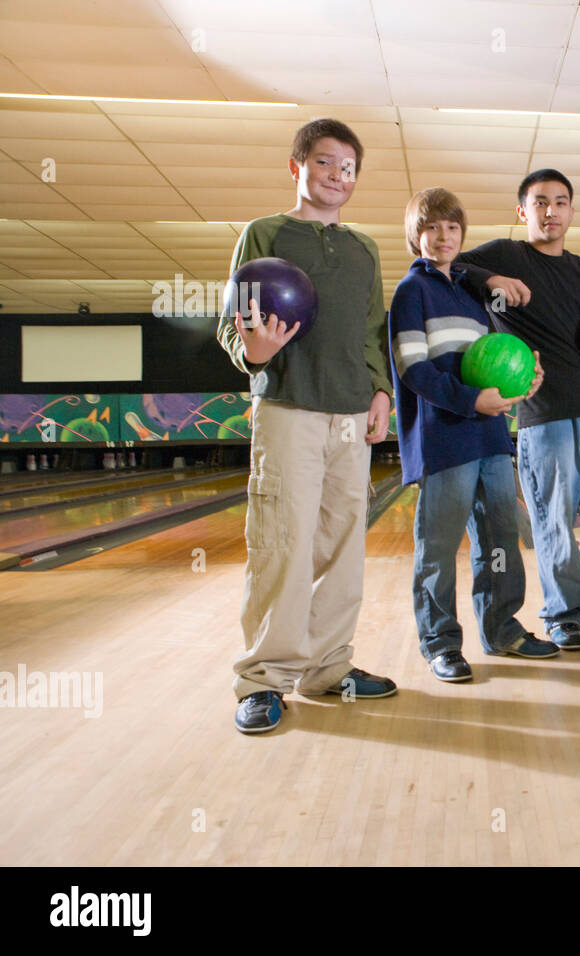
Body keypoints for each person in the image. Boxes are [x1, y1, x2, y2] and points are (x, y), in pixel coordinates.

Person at [218, 118, 396, 734]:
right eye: (325, 163)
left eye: (348, 168)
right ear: (296, 166)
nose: (337, 176)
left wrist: (380, 392)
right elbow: (231, 323)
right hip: (288, 406)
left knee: (344, 543)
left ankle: (327, 666)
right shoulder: (264, 232)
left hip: (350, 412)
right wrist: (255, 354)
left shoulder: (364, 249)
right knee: (283, 542)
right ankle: (264, 677)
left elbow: (374, 333)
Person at [452, 169, 580, 651]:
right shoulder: (506, 255)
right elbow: (449, 265)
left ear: (571, 210)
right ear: (522, 211)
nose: (551, 211)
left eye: (561, 202)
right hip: (543, 414)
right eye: (540, 202)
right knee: (554, 519)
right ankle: (564, 616)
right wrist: (494, 279)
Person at [389, 187, 559, 682]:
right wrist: (470, 400)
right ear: (415, 236)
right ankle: (440, 643)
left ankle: (503, 629)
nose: (443, 237)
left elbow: (491, 362)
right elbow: (412, 369)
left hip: (489, 435)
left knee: (499, 538)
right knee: (438, 548)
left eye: (452, 228)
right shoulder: (410, 292)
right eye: (432, 228)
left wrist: (523, 375)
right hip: (443, 438)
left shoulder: (469, 293)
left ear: (461, 236)